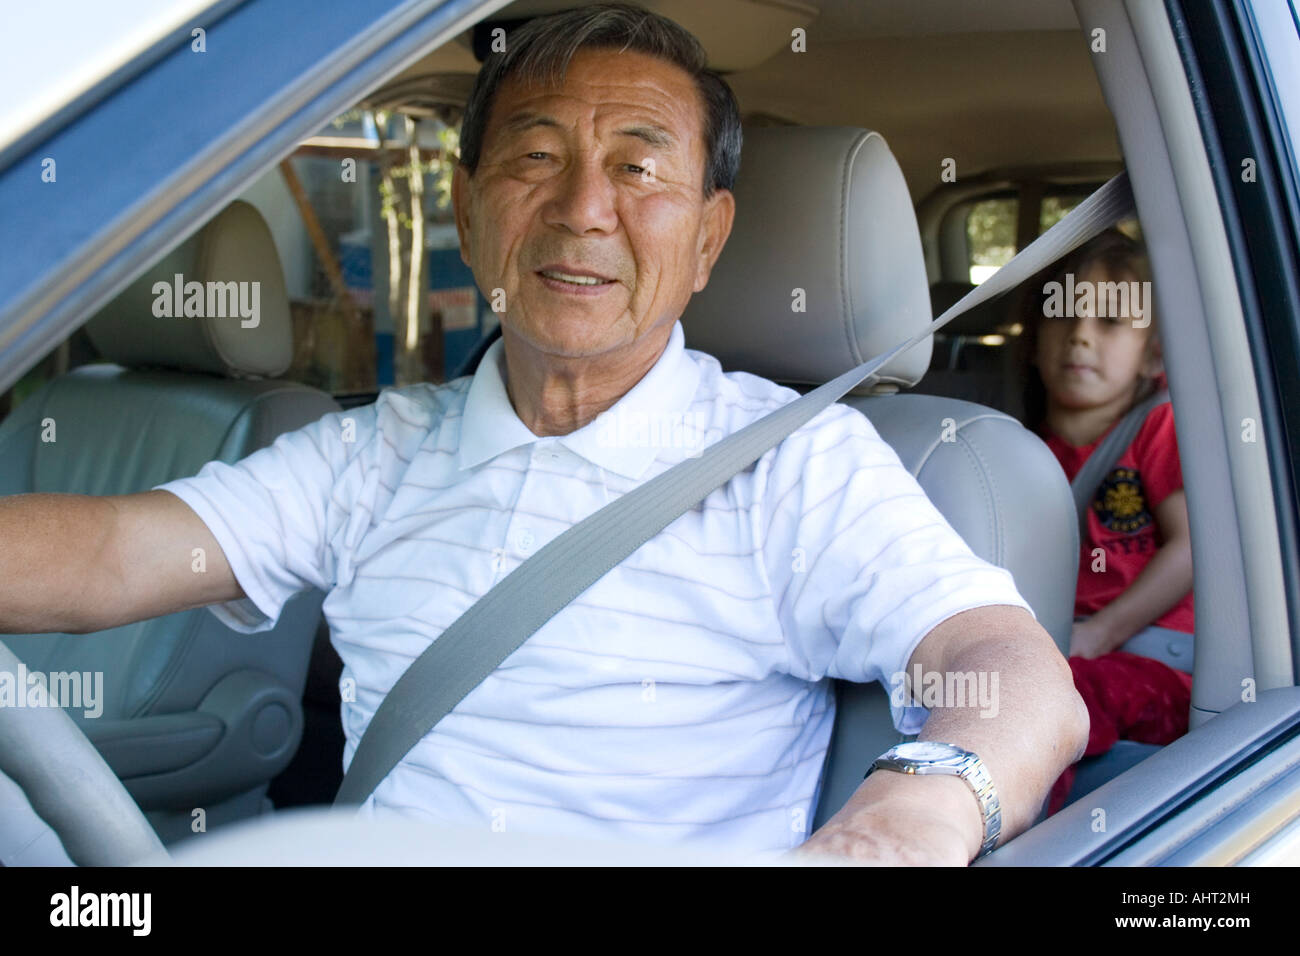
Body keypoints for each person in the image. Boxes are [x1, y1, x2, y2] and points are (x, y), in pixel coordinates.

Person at [0, 3, 1087, 864]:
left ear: (708, 238)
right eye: (534, 157)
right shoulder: (372, 452)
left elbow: (1005, 667)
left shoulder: (793, 465)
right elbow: (112, 553)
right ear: (472, 211)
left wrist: (910, 812)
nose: (581, 208)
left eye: (639, 165)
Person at [1019, 229, 1195, 814]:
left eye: (1112, 321)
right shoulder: (1016, 449)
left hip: (1155, 665)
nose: (1081, 335)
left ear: (1154, 353)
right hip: (1062, 650)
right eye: (1063, 315)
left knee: (1054, 700)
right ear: (1032, 341)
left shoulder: (1158, 428)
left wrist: (1101, 634)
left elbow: (1191, 548)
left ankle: (1013, 826)